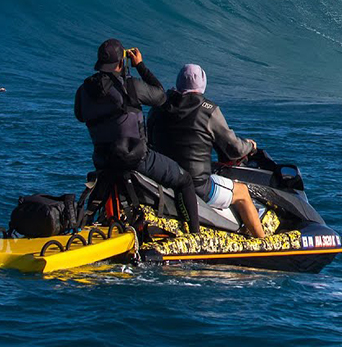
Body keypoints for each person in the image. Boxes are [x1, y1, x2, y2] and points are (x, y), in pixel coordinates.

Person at [74, 39, 200, 233]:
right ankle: (195, 233)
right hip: (136, 159)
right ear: (121, 62)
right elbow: (161, 96)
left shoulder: (83, 91)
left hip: (103, 161)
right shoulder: (129, 85)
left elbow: (80, 116)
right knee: (185, 180)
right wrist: (140, 65)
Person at [148, 64, 265, 238]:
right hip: (198, 186)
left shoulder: (158, 108)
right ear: (203, 83)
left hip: (163, 178)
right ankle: (263, 242)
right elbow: (234, 149)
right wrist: (249, 146)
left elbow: (149, 140)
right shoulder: (208, 110)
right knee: (242, 193)